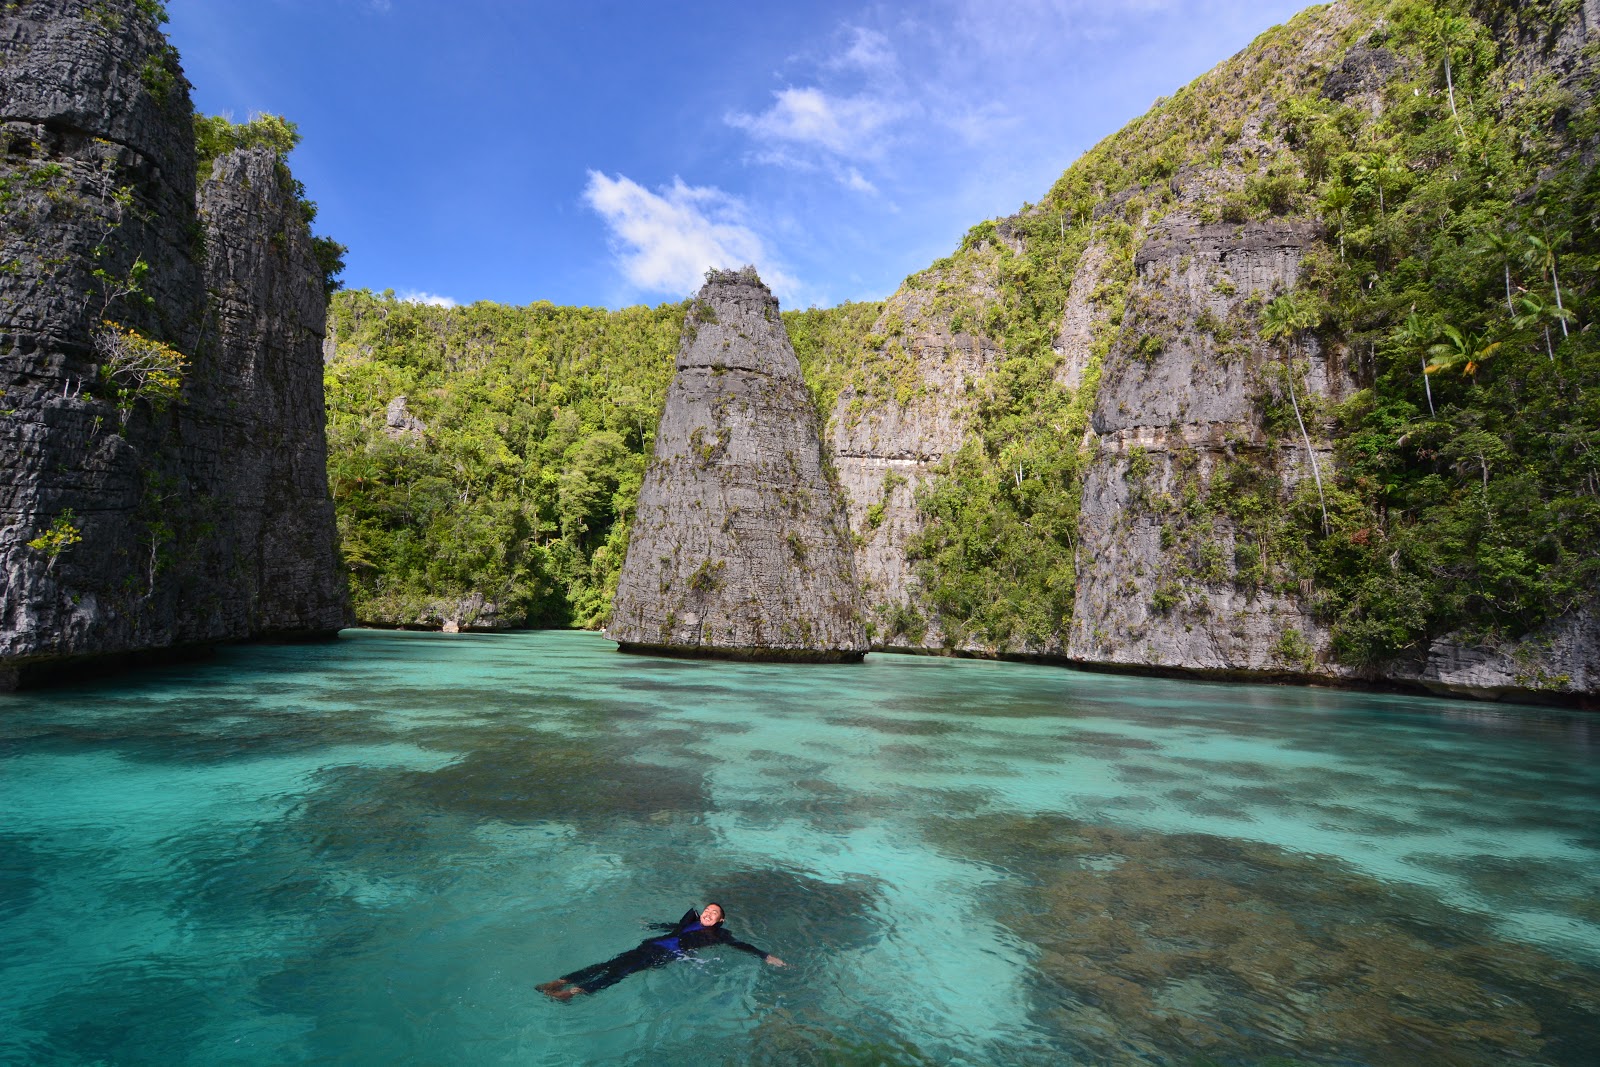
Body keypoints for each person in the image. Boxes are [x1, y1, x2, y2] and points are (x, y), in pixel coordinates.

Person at [538, 902, 786, 1000]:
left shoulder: (721, 935)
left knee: (620, 972)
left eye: (714, 914)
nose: (709, 914)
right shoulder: (689, 923)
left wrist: (765, 956)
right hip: (651, 946)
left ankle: (571, 991)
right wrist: (650, 925)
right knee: (607, 965)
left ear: (721, 920)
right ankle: (558, 982)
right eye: (708, 911)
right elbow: (671, 928)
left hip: (663, 955)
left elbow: (741, 946)